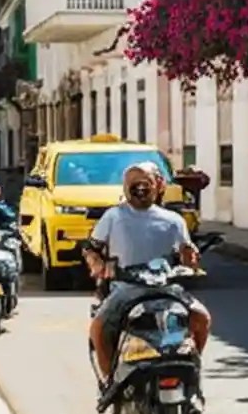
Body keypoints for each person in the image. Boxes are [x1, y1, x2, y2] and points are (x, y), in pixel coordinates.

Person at [83, 163, 211, 388]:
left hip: (166, 288)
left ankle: (192, 371)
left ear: (158, 185)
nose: (140, 189)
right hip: (126, 288)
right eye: (134, 184)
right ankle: (110, 381)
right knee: (99, 327)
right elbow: (91, 248)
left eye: (146, 183)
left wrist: (190, 259)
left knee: (201, 317)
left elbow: (186, 252)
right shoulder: (113, 216)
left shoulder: (173, 220)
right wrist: (97, 263)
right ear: (125, 187)